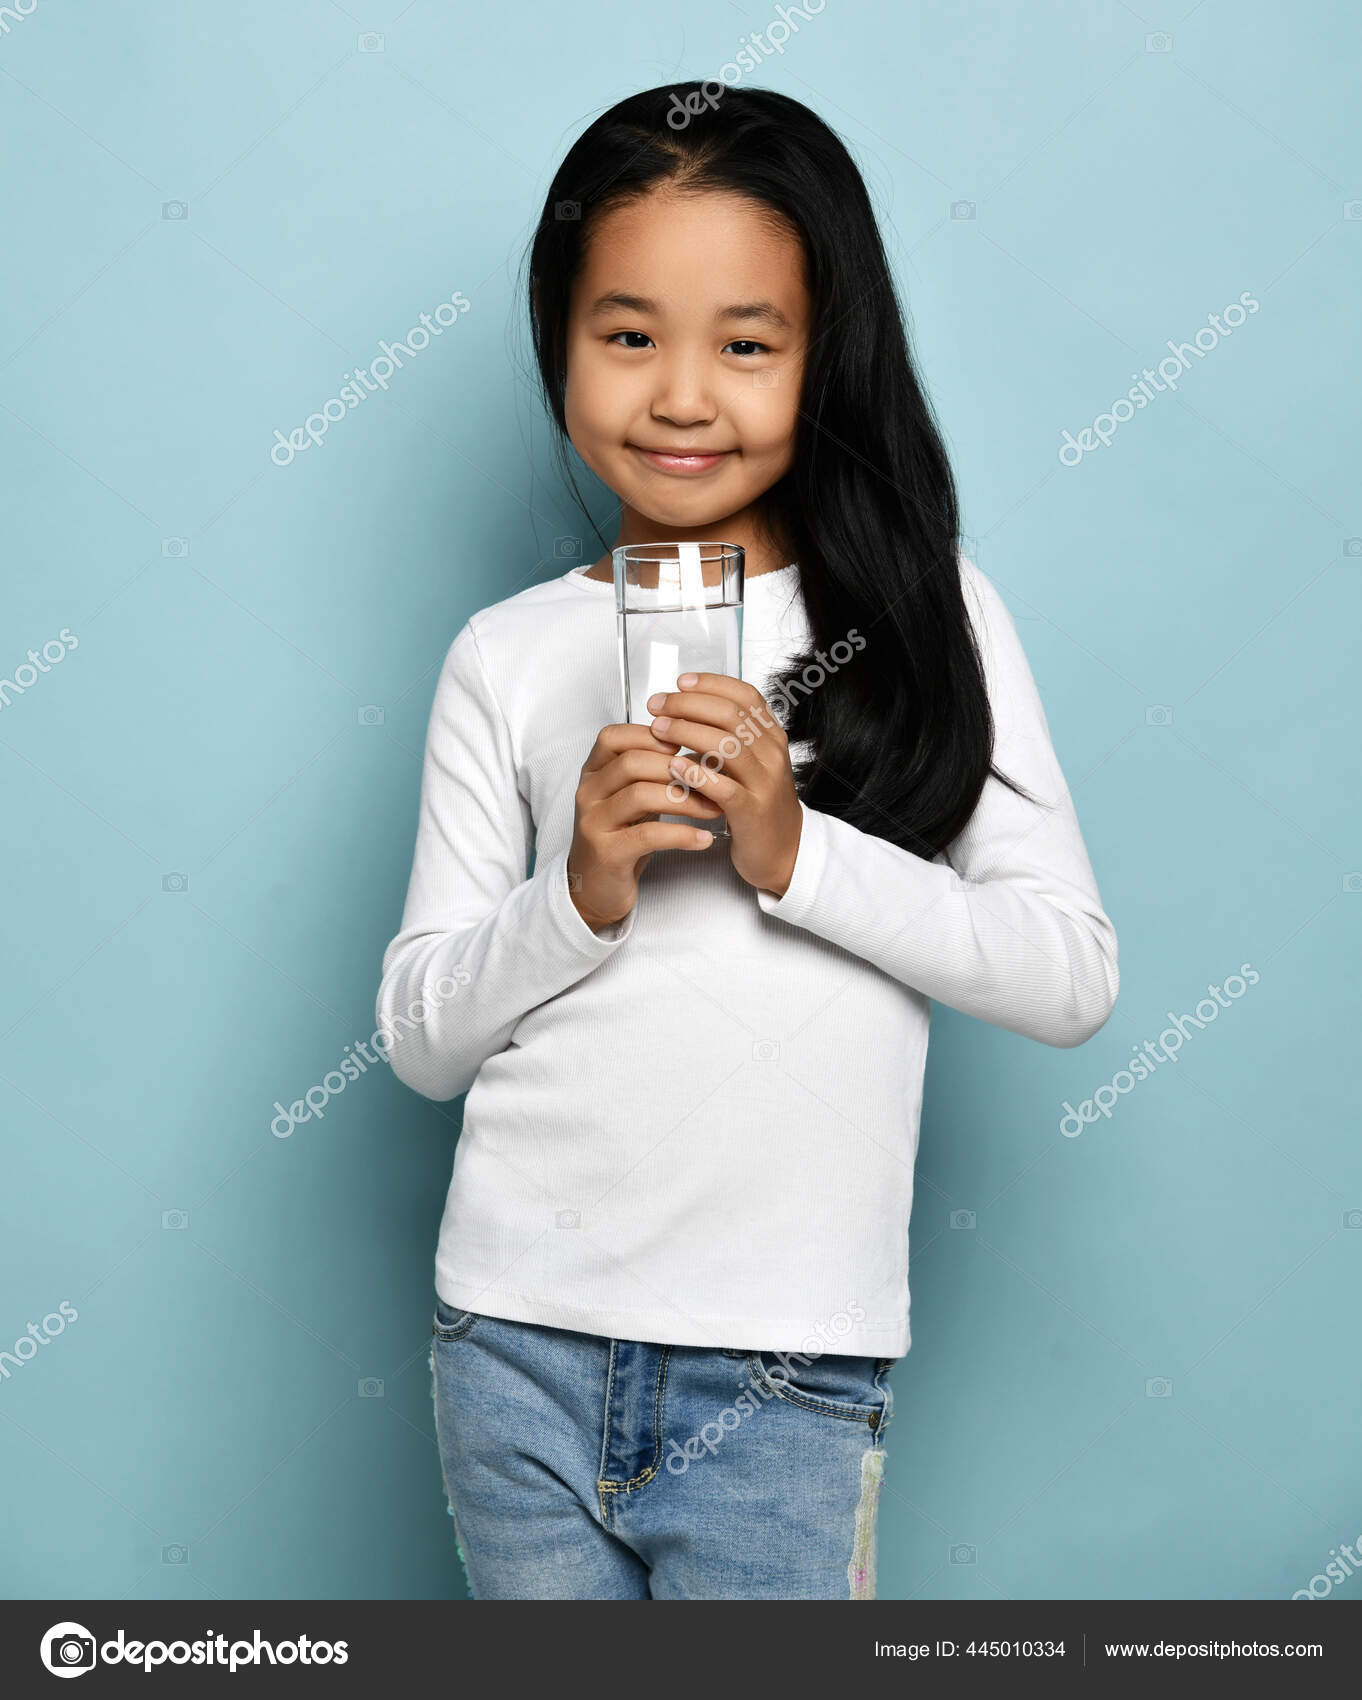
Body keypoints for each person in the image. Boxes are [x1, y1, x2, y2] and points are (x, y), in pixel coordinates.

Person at [375, 82, 1119, 1601]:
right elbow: (418, 1040)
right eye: (628, 334)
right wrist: (576, 893)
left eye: (748, 344)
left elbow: (1066, 977)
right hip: (509, 1340)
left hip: (780, 1370)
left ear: (821, 359)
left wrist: (795, 855)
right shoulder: (507, 654)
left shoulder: (924, 618)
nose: (680, 398)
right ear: (559, 340)